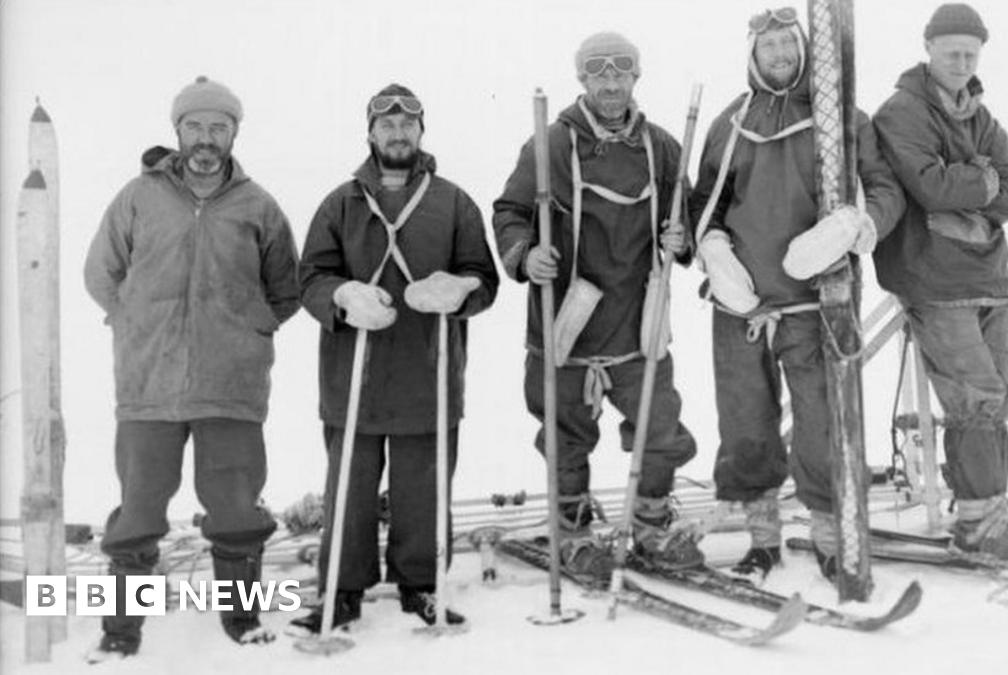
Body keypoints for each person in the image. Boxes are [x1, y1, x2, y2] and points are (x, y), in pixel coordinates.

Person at [83, 76, 300, 658]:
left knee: (234, 505)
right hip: (148, 384)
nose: (207, 138)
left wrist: (250, 327)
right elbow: (101, 273)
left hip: (230, 384)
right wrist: (132, 320)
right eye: (196, 126)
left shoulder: (258, 205)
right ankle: (123, 630)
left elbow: (286, 288)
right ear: (178, 130)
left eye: (219, 127)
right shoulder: (137, 197)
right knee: (138, 510)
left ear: (234, 133)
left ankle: (241, 618)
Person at [689, 8, 905, 583]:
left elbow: (883, 187)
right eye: (770, 46)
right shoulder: (730, 124)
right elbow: (703, 201)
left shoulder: (841, 120)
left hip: (817, 303)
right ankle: (762, 540)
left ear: (807, 49)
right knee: (746, 425)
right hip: (741, 306)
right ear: (753, 56)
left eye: (789, 42)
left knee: (824, 424)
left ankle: (833, 540)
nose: (780, 54)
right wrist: (711, 248)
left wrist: (864, 223)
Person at [291, 84, 499, 633]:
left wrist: (459, 288)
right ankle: (341, 592)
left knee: (423, 489)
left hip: (426, 372)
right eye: (387, 125)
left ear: (421, 131)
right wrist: (341, 297)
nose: (398, 133)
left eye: (408, 123)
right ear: (370, 133)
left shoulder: (452, 202)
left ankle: (422, 586)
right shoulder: (341, 203)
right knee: (350, 491)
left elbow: (485, 278)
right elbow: (310, 276)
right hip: (353, 374)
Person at [493, 32, 702, 576]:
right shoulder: (552, 145)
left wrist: (683, 240)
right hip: (568, 321)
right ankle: (575, 533)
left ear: (636, 77)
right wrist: (524, 255)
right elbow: (511, 211)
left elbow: (692, 216)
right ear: (582, 79)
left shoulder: (660, 147)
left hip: (637, 323)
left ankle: (653, 526)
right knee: (565, 436)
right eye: (598, 72)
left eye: (621, 71)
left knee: (660, 429)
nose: (610, 83)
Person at [872, 4, 1008, 562]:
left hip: (987, 273)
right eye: (951, 50)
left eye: (970, 52)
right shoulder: (903, 112)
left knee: (998, 392)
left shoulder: (980, 114)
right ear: (929, 48)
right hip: (935, 277)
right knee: (975, 396)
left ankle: (987, 506)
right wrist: (983, 180)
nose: (961, 60)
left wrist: (974, 182)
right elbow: (931, 188)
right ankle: (980, 525)